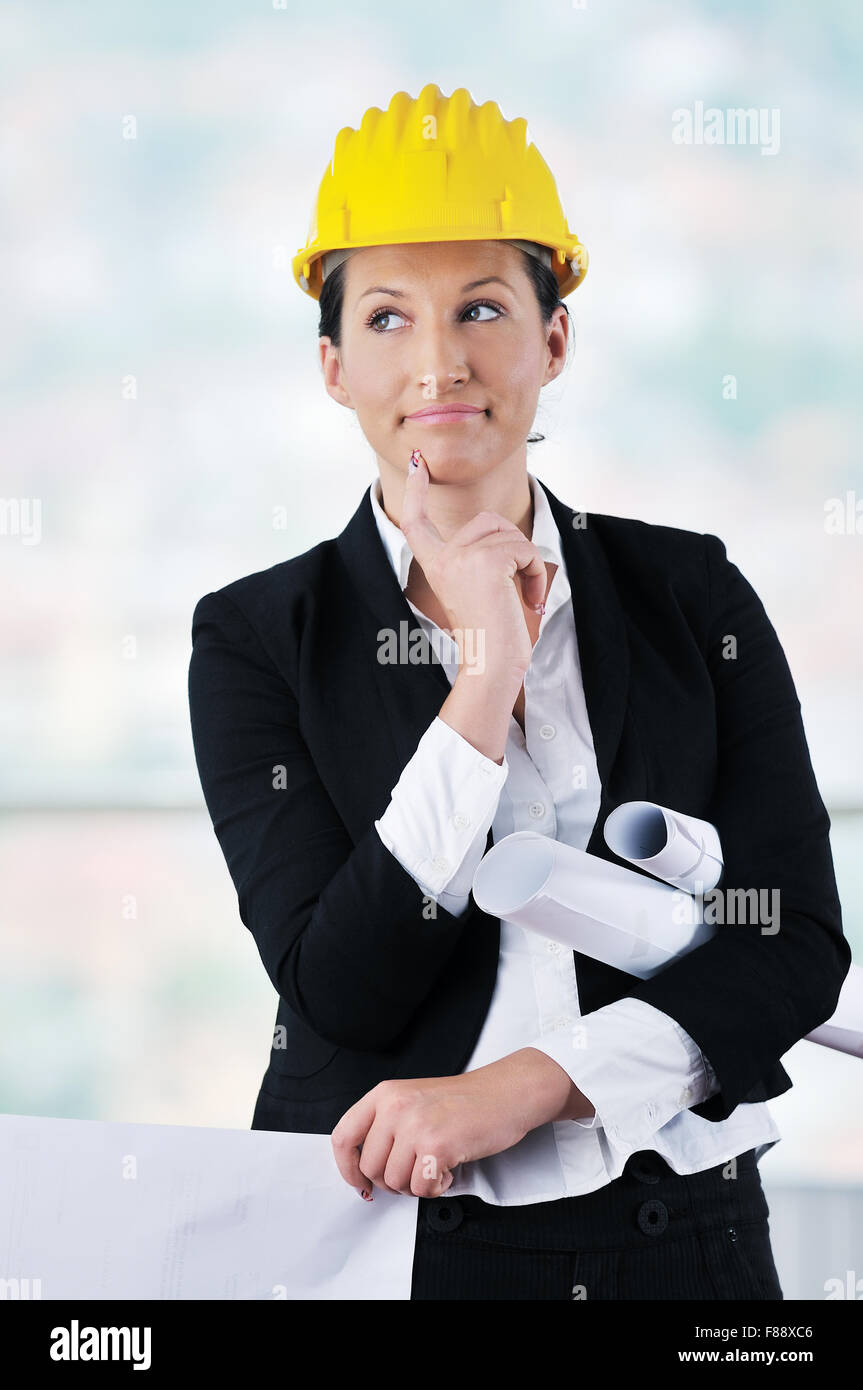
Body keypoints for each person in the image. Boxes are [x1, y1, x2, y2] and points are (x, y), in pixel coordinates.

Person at [187, 84, 850, 1300]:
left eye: (482, 308)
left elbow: (791, 940)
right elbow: (337, 985)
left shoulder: (687, 592)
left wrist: (530, 1084)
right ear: (333, 366)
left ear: (553, 340)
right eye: (386, 317)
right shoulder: (256, 637)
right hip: (390, 1242)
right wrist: (483, 680)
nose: (438, 361)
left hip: (687, 1240)